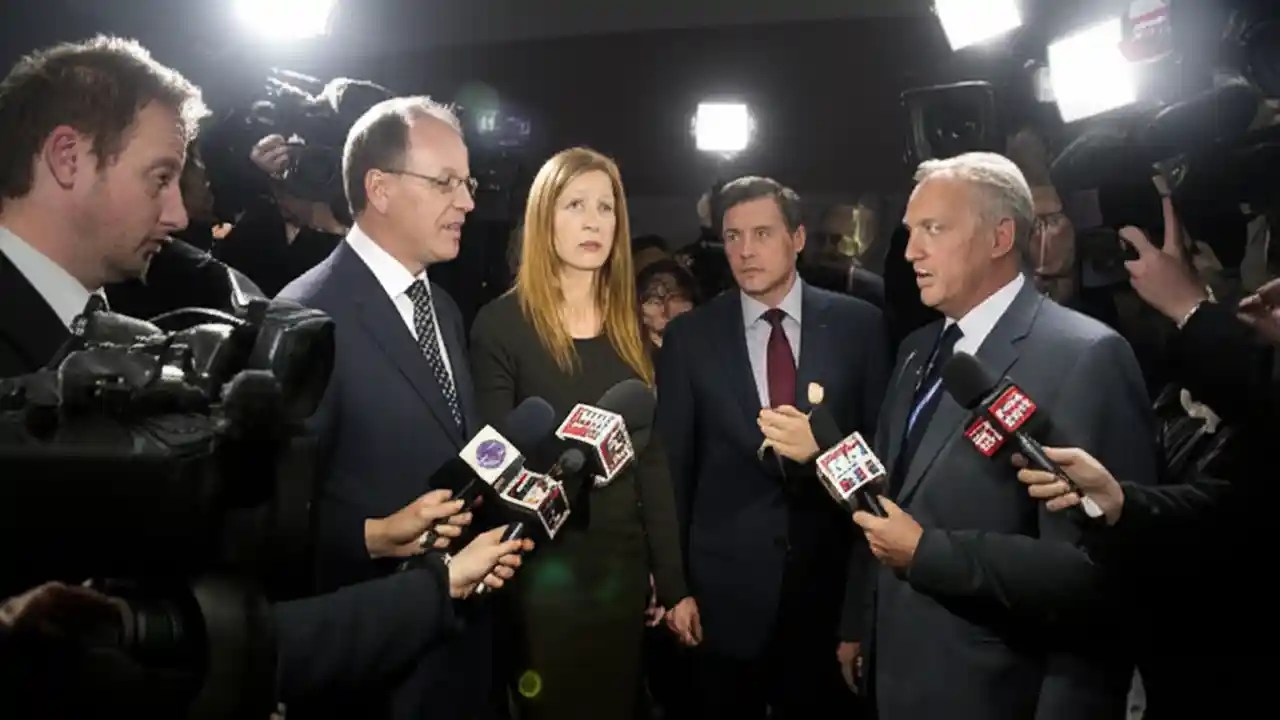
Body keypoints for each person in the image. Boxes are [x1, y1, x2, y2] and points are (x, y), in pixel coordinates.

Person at [843, 152, 1156, 720]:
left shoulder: (1085, 356)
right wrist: (863, 625)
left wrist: (926, 553)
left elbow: (1094, 573)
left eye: (934, 230)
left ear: (1000, 236)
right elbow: (894, 499)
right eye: (910, 232)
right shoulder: (918, 349)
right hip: (900, 684)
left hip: (1002, 695)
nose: (911, 251)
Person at [277, 95, 512, 720]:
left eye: (467, 183)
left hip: (460, 659)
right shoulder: (305, 320)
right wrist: (374, 539)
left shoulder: (446, 308)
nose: (467, 202)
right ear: (378, 188)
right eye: (445, 183)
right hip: (369, 677)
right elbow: (269, 524)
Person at [656, 175, 889, 719]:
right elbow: (672, 470)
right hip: (722, 598)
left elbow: (880, 465)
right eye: (733, 236)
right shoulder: (692, 337)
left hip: (828, 593)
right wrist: (673, 587)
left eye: (762, 233)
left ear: (798, 238)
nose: (745, 250)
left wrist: (860, 610)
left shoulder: (860, 327)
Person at [468, 147, 688, 720]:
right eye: (575, 205)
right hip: (540, 571)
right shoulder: (500, 324)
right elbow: (494, 459)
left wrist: (669, 578)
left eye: (606, 207)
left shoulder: (629, 327)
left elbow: (652, 459)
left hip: (621, 572)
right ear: (545, 218)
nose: (594, 222)